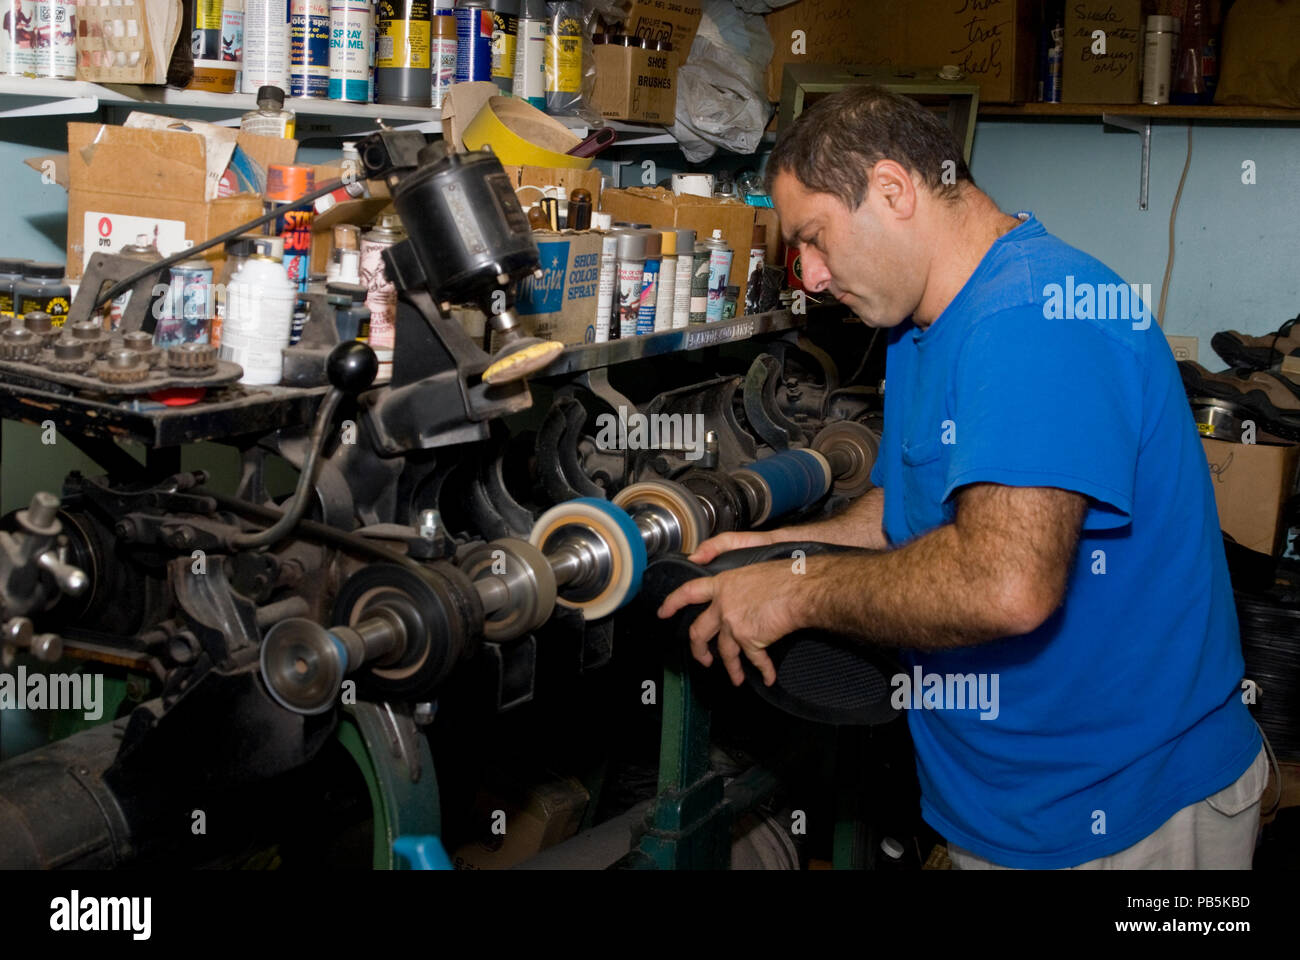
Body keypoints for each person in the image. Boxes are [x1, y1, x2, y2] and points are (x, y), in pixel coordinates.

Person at [657, 85, 1267, 870]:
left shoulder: (1036, 319)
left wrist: (794, 594)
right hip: (1003, 811)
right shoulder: (926, 327)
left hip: (1130, 821)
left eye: (812, 239)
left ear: (891, 190)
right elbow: (907, 509)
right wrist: (783, 552)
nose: (807, 276)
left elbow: (1005, 582)